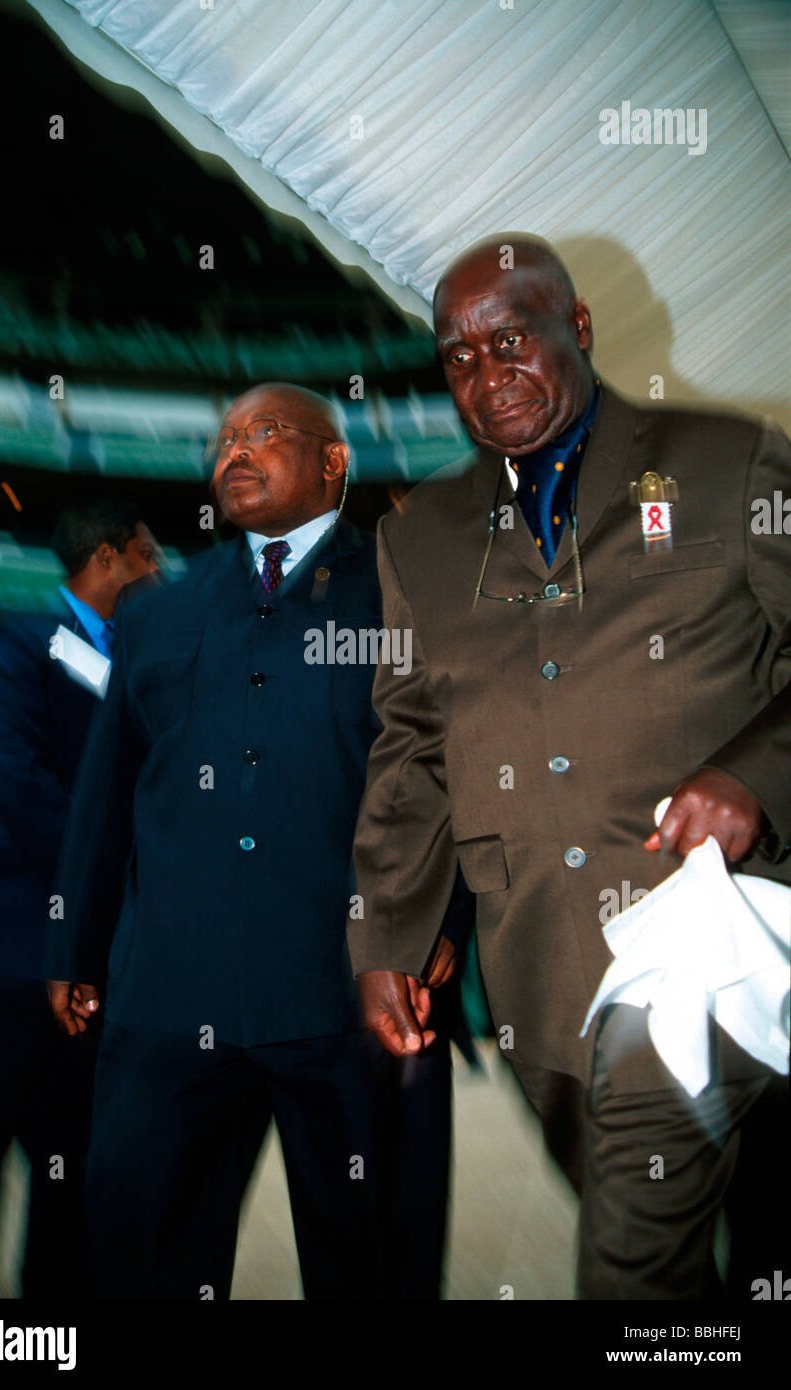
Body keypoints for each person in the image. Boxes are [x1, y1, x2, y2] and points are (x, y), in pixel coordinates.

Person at [349, 235, 791, 1300]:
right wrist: (388, 935)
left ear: (576, 327)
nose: (483, 371)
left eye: (510, 338)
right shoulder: (419, 536)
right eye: (456, 354)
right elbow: (409, 744)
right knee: (678, 1233)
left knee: (632, 1265)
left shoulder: (729, 461)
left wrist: (754, 779)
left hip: (714, 936)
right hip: (537, 973)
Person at [46, 384, 457, 1301]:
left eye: (265, 433)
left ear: (333, 462)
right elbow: (108, 793)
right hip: (168, 996)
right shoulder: (158, 614)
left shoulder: (407, 596)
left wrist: (442, 923)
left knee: (369, 1265)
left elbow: (449, 772)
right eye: (226, 437)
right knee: (139, 1253)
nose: (236, 450)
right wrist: (74, 942)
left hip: (349, 994)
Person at [0, 499, 158, 1298]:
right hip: (11, 958)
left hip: (99, 973)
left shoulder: (147, 662)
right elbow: (19, 784)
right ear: (107, 558)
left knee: (73, 1177)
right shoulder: (21, 639)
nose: (159, 574)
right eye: (147, 557)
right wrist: (117, 861)